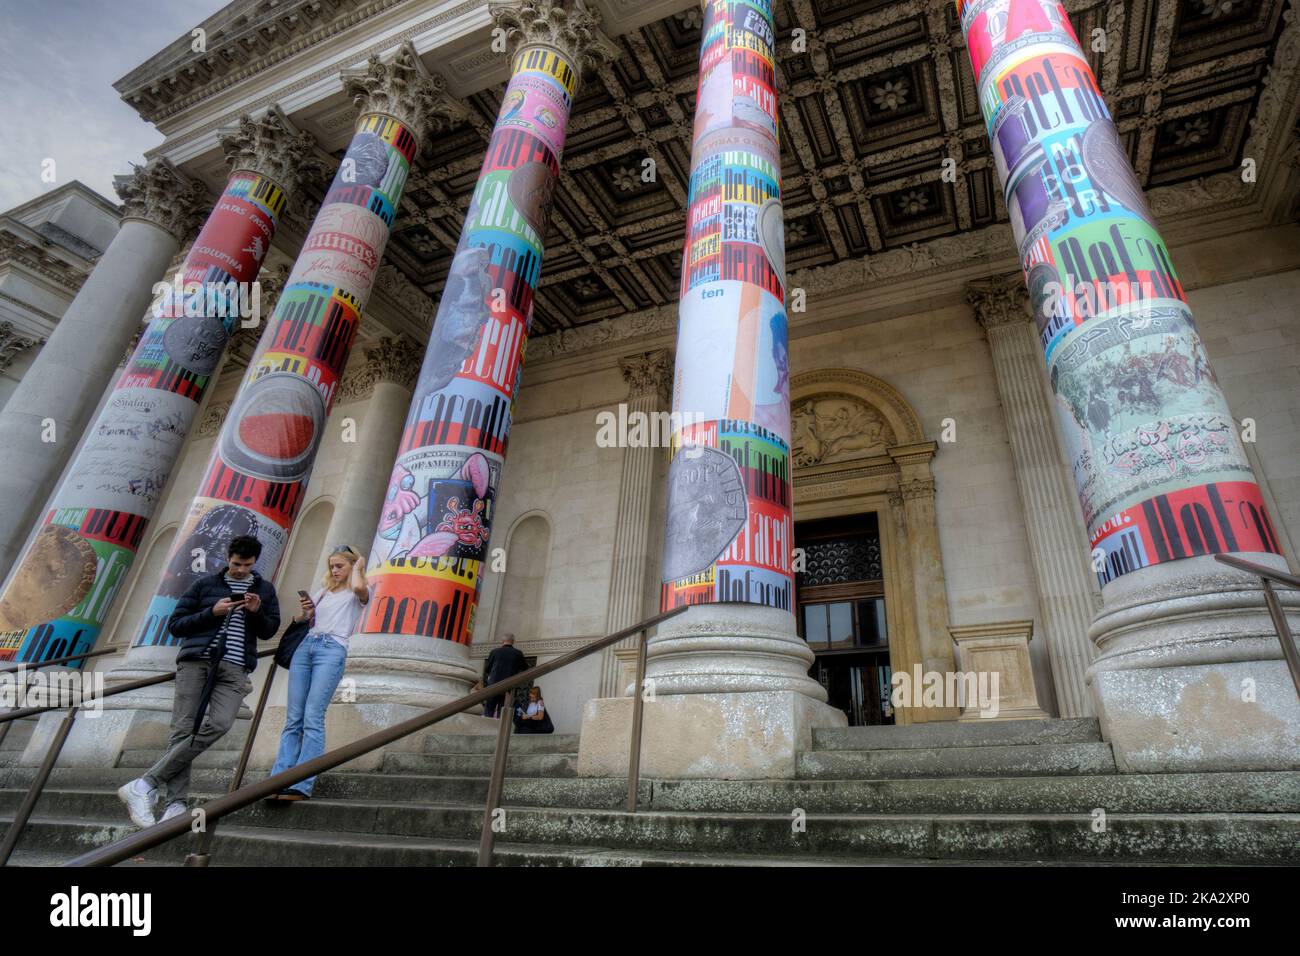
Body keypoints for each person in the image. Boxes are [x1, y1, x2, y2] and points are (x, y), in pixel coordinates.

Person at [117, 535, 280, 828]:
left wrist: (256, 612)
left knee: (220, 723)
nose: (241, 569)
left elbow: (269, 631)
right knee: (183, 730)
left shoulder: (265, 590)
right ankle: (176, 804)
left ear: (256, 562)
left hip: (235, 666)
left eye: (246, 565)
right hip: (197, 661)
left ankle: (144, 785)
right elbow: (176, 625)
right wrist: (211, 612)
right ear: (227, 558)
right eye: (235, 563)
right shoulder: (204, 585)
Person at [266, 545, 370, 801]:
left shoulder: (360, 591)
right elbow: (308, 621)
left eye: (340, 566)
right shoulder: (323, 592)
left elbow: (359, 589)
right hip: (307, 646)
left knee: (313, 715)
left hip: (332, 649)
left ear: (352, 566)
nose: (334, 570)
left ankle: (301, 784)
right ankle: (277, 780)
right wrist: (307, 614)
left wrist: (358, 567)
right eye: (332, 566)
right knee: (294, 717)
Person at [482, 633, 527, 718]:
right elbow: (525, 668)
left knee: (489, 711)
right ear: (513, 641)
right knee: (503, 714)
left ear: (502, 641)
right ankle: (500, 730)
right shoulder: (518, 653)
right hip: (509, 688)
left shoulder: (494, 652)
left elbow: (487, 669)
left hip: (493, 686)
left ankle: (486, 729)